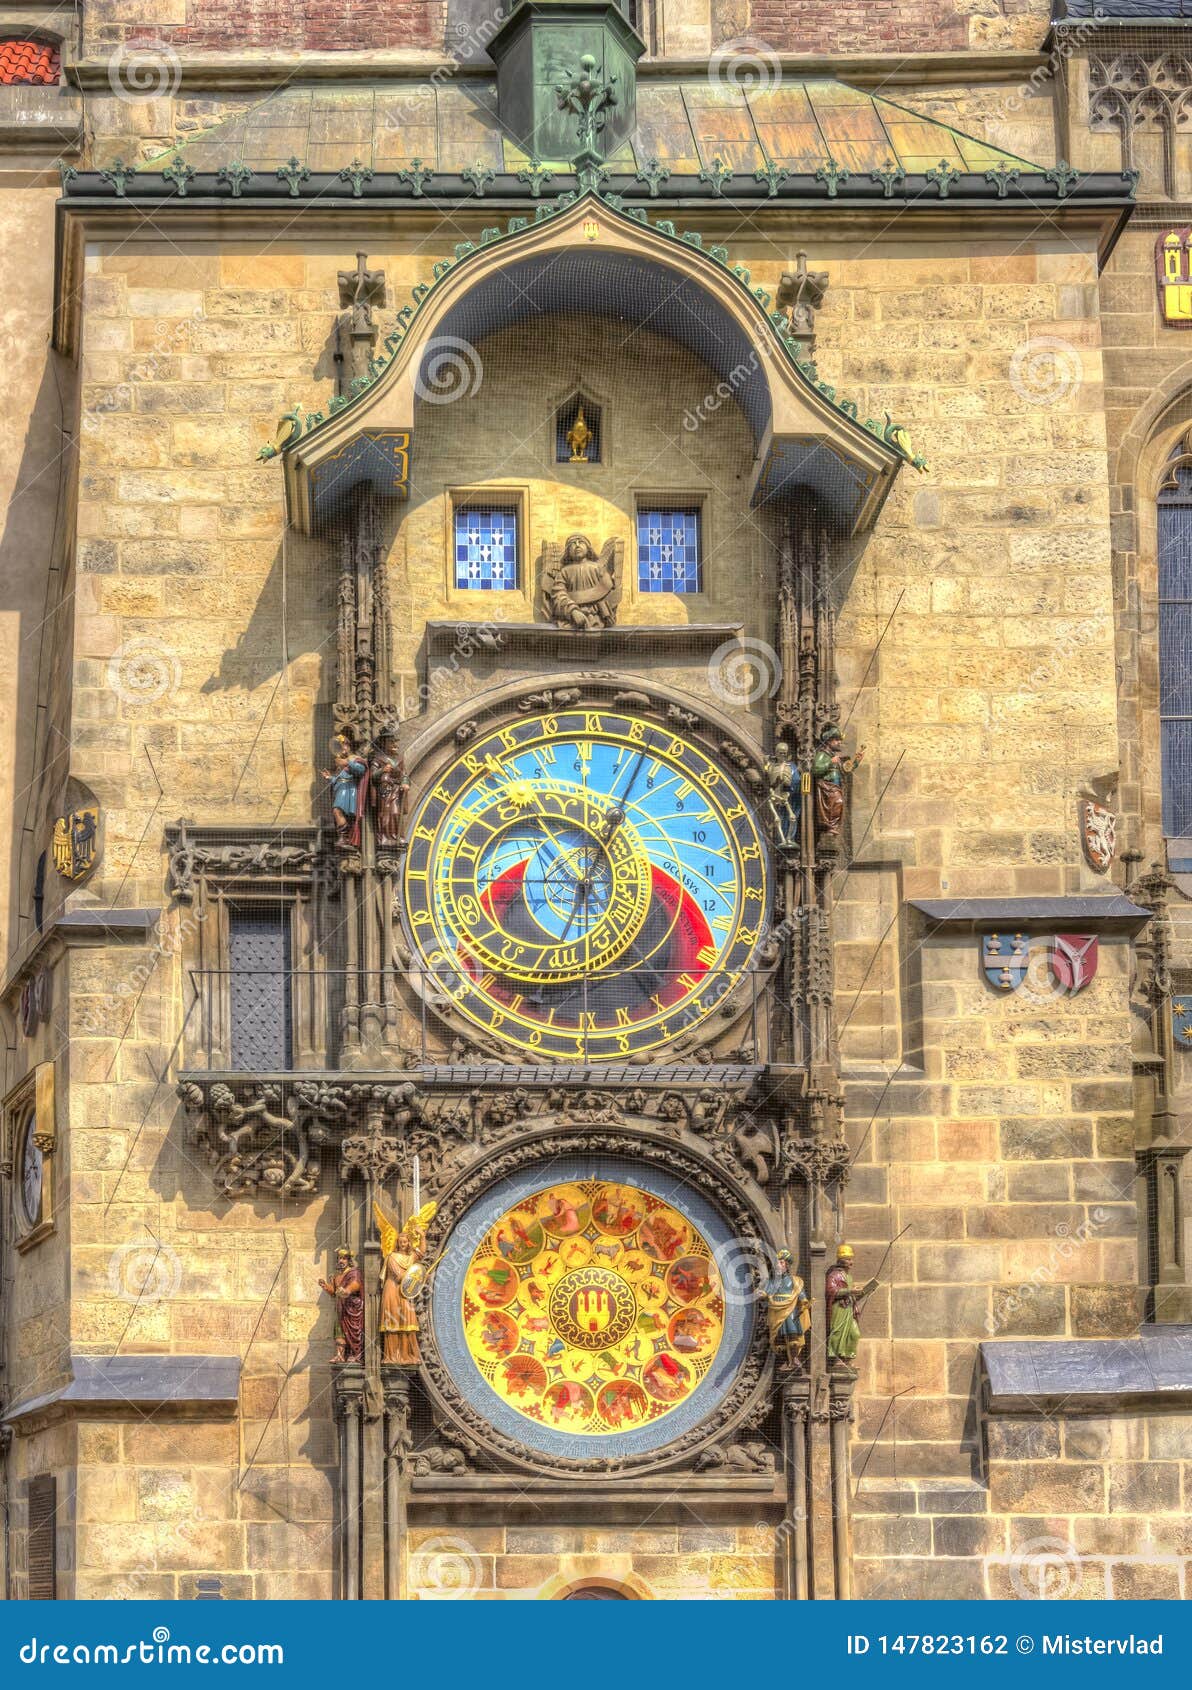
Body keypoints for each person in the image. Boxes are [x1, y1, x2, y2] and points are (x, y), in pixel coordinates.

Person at [380, 1229, 424, 1366]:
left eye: (405, 1242)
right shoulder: (392, 1257)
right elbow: (399, 1276)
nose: (403, 1244)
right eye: (400, 1242)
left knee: (407, 1320)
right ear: (397, 1243)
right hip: (393, 1290)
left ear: (409, 1243)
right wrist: (417, 1275)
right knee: (393, 1320)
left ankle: (407, 1355)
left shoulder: (410, 1258)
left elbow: (421, 1252)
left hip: (405, 1292)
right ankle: (392, 1356)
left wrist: (422, 1236)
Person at [825, 1243, 875, 1363]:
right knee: (838, 1332)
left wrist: (864, 1292)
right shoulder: (834, 1275)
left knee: (854, 1333)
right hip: (839, 1308)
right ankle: (836, 1360)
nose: (851, 1262)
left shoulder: (849, 1277)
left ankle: (846, 1359)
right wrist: (850, 1290)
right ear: (841, 1261)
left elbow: (851, 1294)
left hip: (849, 1308)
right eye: (848, 1259)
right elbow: (830, 1291)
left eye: (851, 1259)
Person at [765, 1248, 811, 1366]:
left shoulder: (795, 1280)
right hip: (776, 1310)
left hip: (790, 1310)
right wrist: (763, 1294)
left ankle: (794, 1358)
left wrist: (804, 1300)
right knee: (779, 1337)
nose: (778, 1265)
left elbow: (800, 1292)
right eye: (777, 1263)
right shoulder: (772, 1281)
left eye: (781, 1263)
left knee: (792, 1334)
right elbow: (767, 1292)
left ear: (787, 1265)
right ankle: (784, 1361)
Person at [319, 1247, 364, 1364]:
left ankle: (355, 1354)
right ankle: (340, 1355)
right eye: (339, 1258)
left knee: (353, 1332)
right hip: (341, 1309)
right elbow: (334, 1292)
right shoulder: (337, 1276)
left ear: (349, 1260)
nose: (341, 1260)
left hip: (352, 1308)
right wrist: (326, 1286)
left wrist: (347, 1290)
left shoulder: (354, 1272)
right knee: (339, 1331)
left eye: (344, 1258)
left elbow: (356, 1284)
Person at [323, 732, 367, 847]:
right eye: (339, 747)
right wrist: (330, 778)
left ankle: (344, 837)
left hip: (349, 789)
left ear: (348, 746)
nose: (341, 749)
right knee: (339, 812)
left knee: (337, 810)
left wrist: (347, 762)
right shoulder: (340, 762)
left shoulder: (354, 758)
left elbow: (361, 770)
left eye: (343, 746)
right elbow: (339, 778)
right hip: (340, 789)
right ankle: (344, 837)